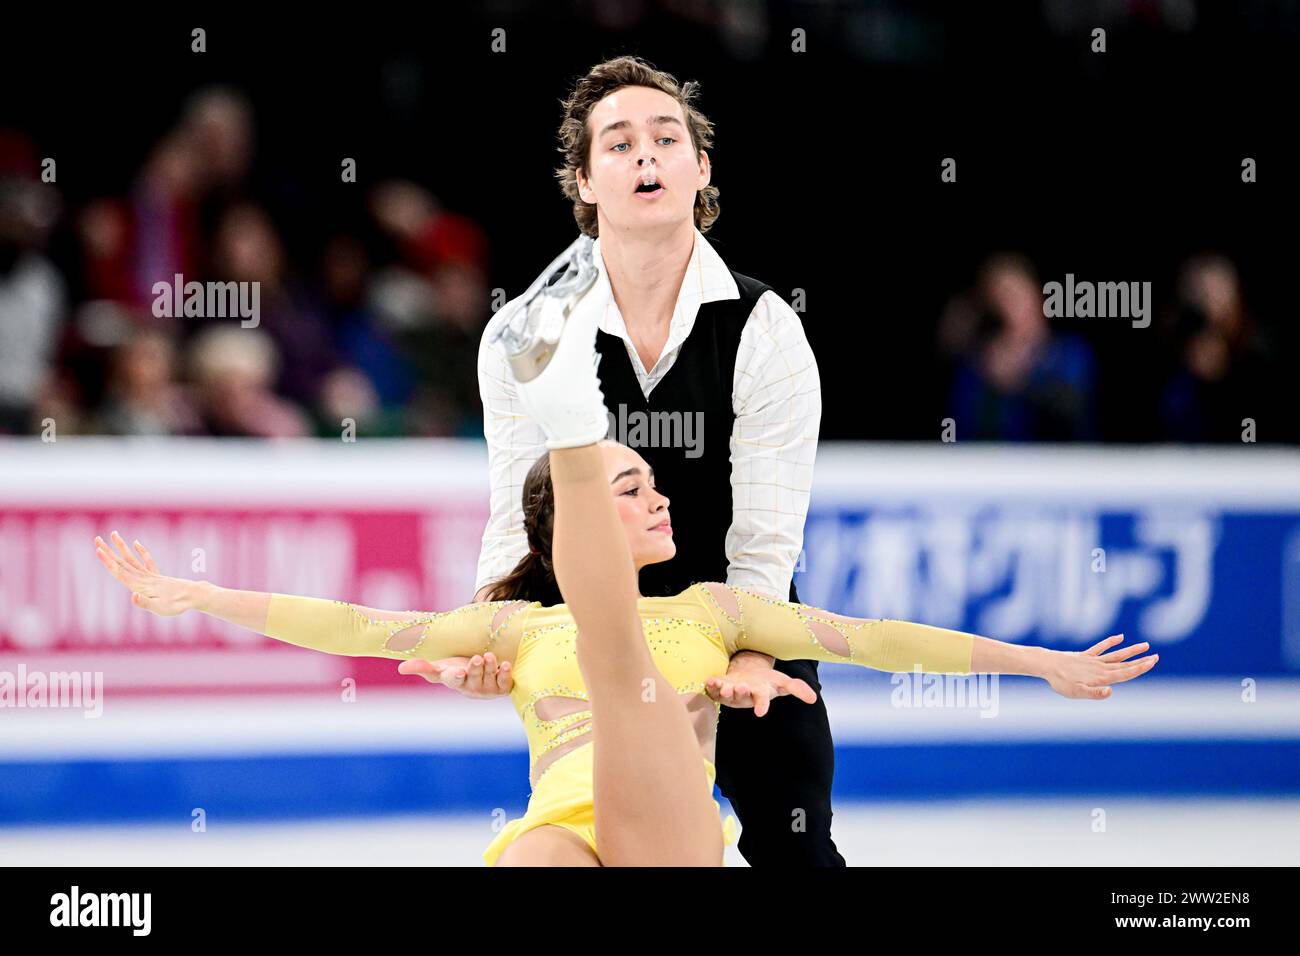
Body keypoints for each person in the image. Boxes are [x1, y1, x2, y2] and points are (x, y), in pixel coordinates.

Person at [92, 256, 1160, 866]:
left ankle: (563, 404)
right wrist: (196, 594)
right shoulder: (513, 625)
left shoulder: (714, 606)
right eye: (630, 487)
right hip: (559, 830)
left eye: (651, 483)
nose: (660, 495)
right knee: (539, 857)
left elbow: (876, 637)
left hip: (670, 835)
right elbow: (356, 627)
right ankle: (560, 410)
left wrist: (1038, 662)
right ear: (569, 526)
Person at [409, 54, 844, 866]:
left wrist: (752, 649)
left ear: (700, 168)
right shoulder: (527, 334)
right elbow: (521, 508)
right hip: (594, 634)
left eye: (665, 137)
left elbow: (767, 529)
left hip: (734, 608)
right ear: (582, 181)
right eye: (618, 143)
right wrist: (492, 629)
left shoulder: (765, 328)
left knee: (797, 843)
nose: (645, 155)